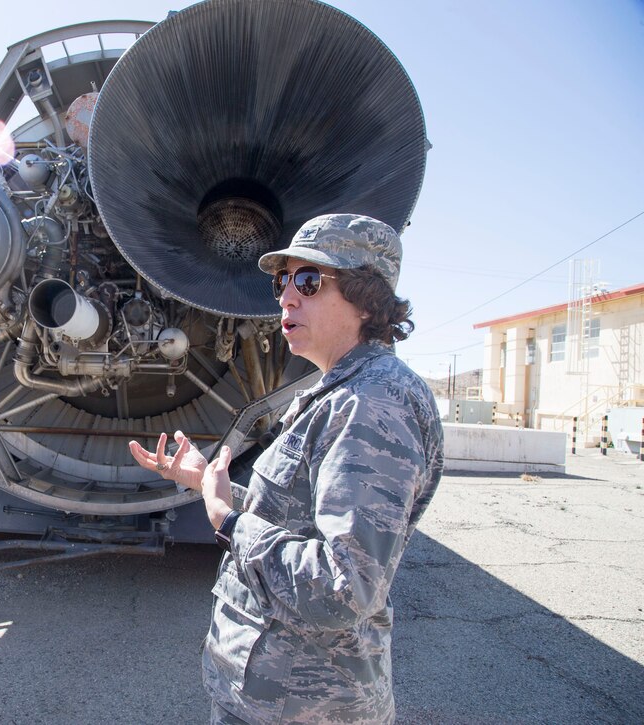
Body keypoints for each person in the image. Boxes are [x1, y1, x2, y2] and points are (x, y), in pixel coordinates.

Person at [130, 213, 443, 724]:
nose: (286, 297)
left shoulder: (372, 405)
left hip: (304, 707)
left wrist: (228, 521)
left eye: (309, 281)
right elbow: (299, 518)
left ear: (368, 298)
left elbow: (344, 589)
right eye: (282, 281)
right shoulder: (338, 393)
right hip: (270, 696)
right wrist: (212, 484)